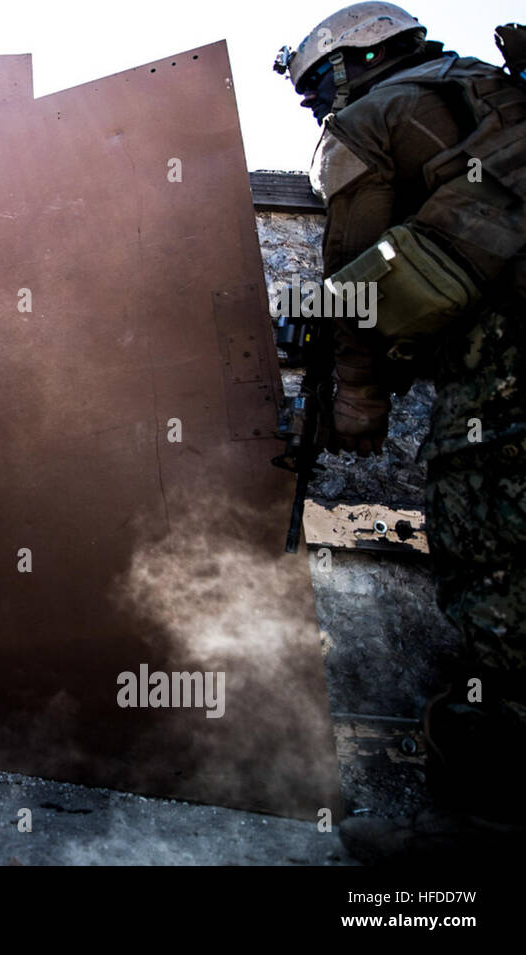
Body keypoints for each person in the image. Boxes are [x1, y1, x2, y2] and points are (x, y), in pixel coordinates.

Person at [275, 5, 526, 860]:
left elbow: (353, 282)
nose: (317, 110)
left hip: (506, 382)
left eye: (315, 89)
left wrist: (353, 406)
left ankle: (474, 835)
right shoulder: (490, 91)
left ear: (350, 65)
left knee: (499, 596)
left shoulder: (369, 118)